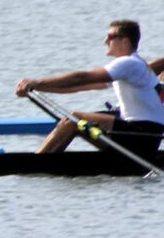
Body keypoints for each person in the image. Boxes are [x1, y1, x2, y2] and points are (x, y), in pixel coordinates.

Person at [15, 19, 164, 156]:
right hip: (144, 137)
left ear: (124, 42)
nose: (105, 41)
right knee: (71, 120)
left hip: (142, 136)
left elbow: (82, 77)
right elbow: (80, 85)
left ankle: (37, 162)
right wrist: (36, 89)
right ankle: (46, 159)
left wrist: (37, 82)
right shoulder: (134, 66)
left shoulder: (129, 63)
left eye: (110, 37)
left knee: (74, 119)